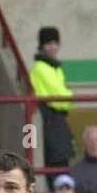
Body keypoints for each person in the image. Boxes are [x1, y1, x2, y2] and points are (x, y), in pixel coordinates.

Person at [29, 26, 73, 170]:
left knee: (62, 162)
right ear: (41, 47)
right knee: (56, 164)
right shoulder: (41, 68)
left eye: (55, 43)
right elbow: (61, 98)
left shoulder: (55, 67)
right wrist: (69, 96)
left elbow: (63, 98)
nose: (53, 47)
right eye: (48, 44)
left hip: (55, 119)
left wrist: (66, 98)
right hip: (49, 119)